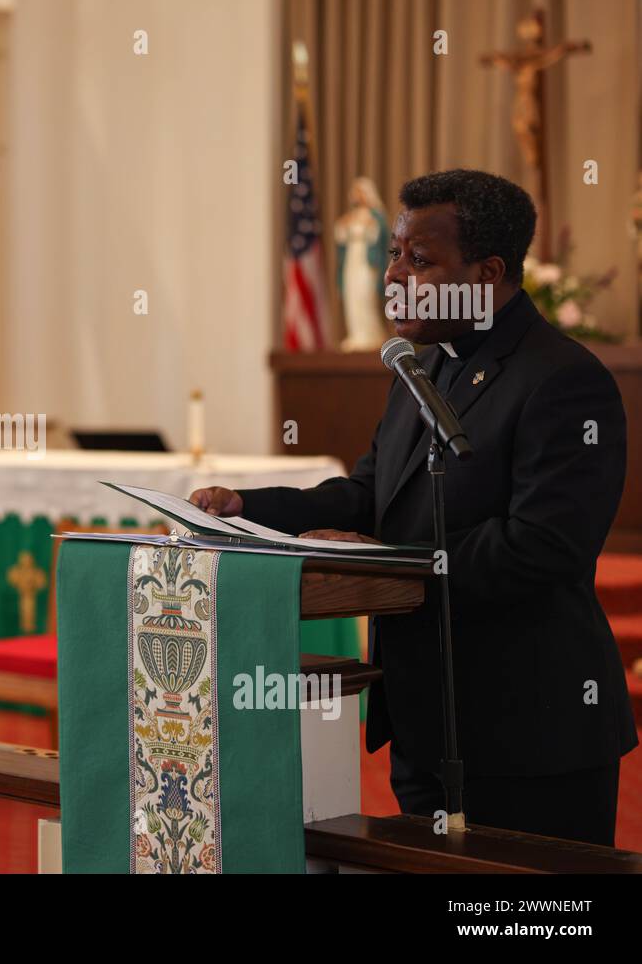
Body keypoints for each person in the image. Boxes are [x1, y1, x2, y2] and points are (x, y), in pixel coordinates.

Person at [191, 169, 635, 846]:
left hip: (528, 729)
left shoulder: (564, 380)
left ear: (486, 274)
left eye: (418, 260)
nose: (392, 274)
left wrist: (390, 567)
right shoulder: (419, 370)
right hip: (427, 718)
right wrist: (249, 507)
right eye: (394, 253)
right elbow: (373, 496)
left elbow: (542, 546)